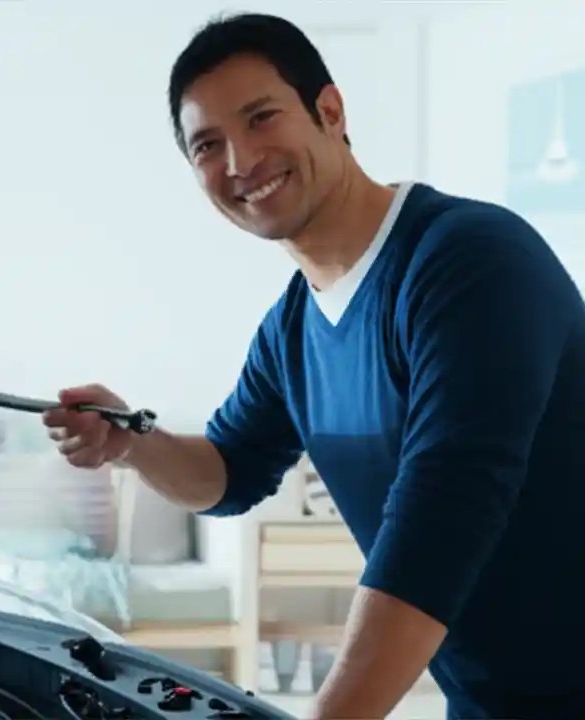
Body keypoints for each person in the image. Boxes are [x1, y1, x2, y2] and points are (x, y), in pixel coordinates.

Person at [43, 11, 585, 720]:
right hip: (493, 702)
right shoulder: (292, 328)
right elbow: (229, 472)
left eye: (262, 118)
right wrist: (133, 443)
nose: (240, 162)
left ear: (329, 111)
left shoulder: (471, 263)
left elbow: (439, 533)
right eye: (209, 145)